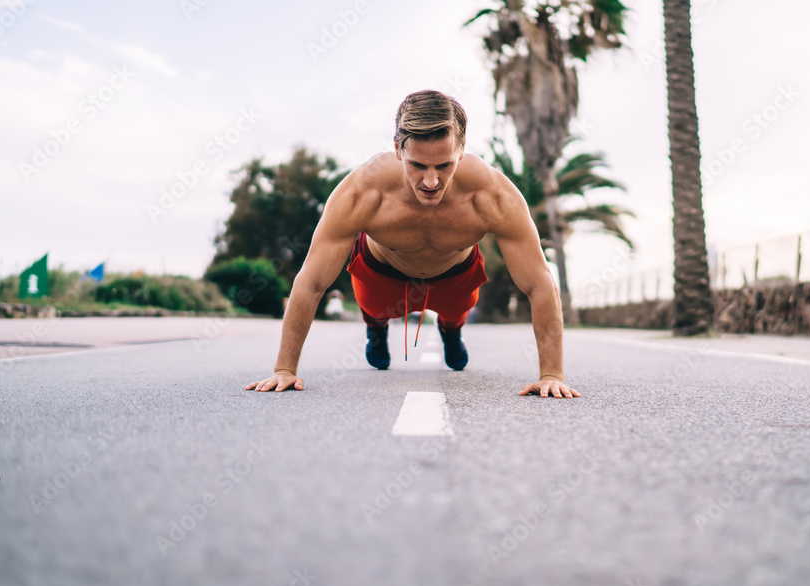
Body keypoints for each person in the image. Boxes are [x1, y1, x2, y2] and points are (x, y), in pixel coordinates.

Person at [245, 90, 580, 399]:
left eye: (444, 165)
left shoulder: (492, 196)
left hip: (455, 275)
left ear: (461, 150)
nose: (431, 181)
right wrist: (284, 369)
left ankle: (452, 330)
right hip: (381, 273)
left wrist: (551, 373)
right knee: (375, 308)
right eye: (417, 165)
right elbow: (312, 280)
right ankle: (375, 328)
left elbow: (539, 283)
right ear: (397, 148)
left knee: (456, 310)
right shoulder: (362, 192)